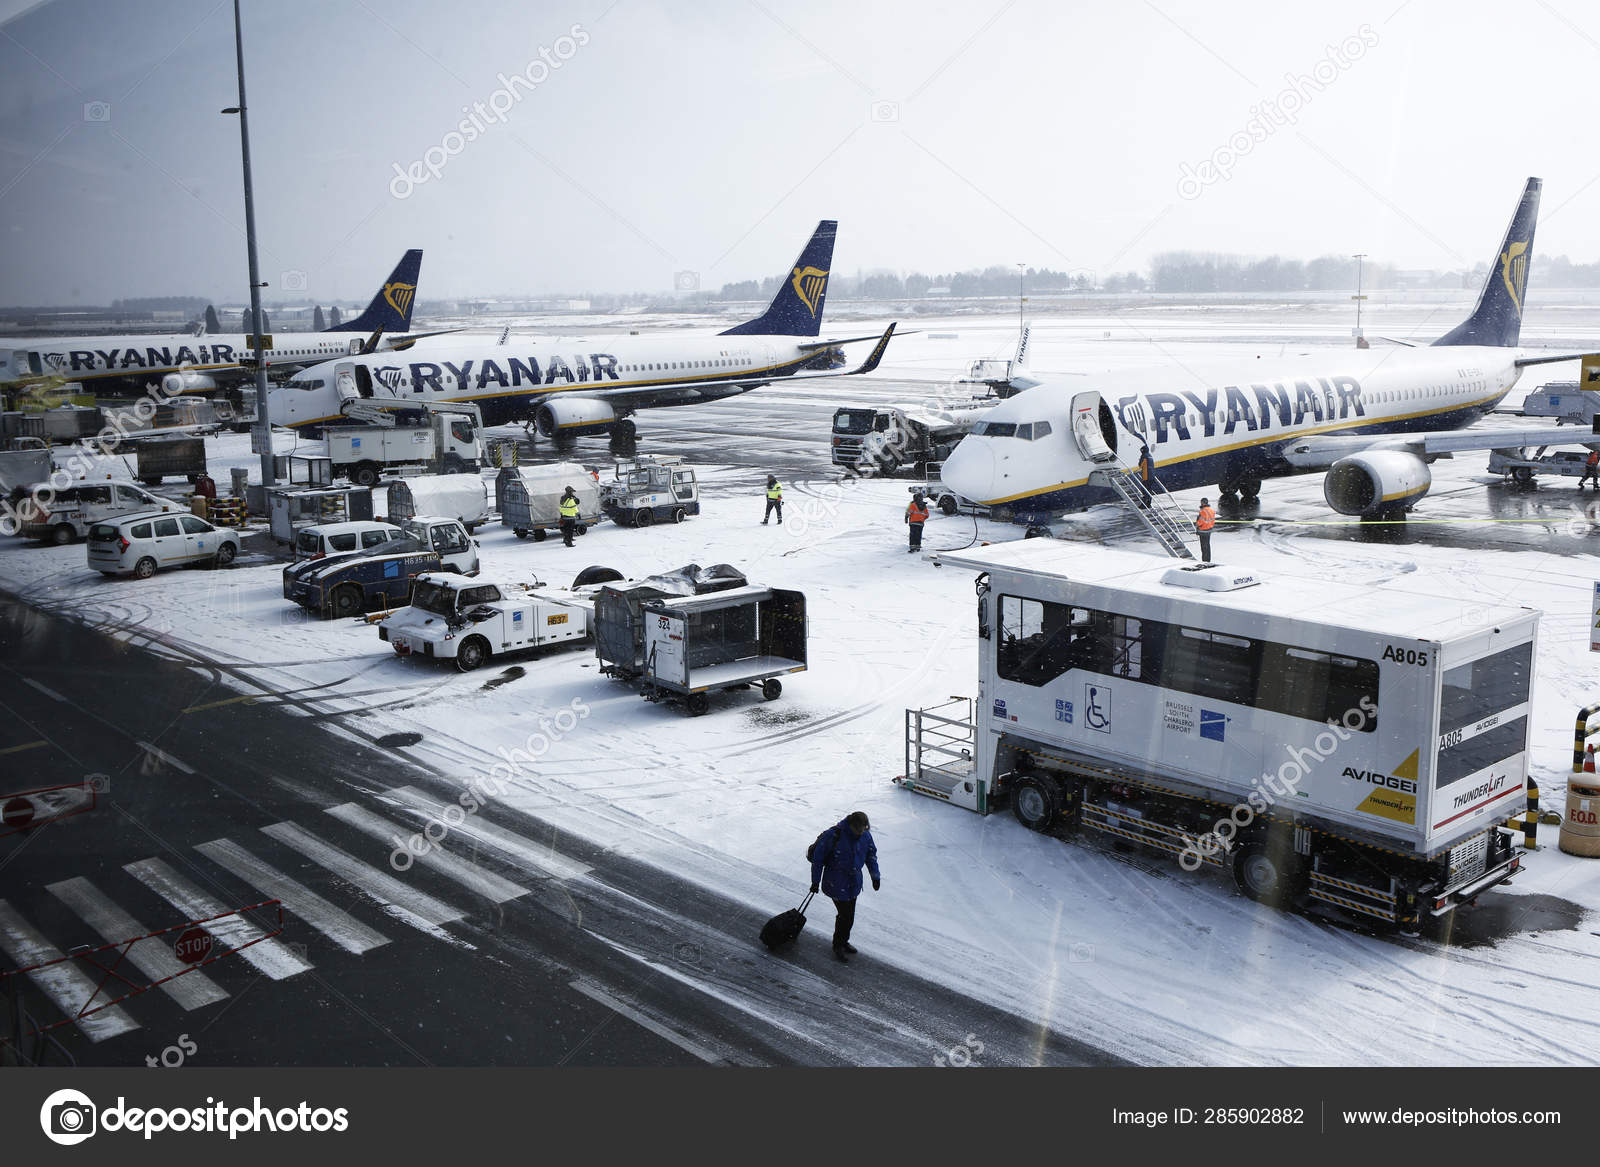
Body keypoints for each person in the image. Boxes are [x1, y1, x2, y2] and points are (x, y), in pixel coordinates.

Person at [809, 811, 880, 962]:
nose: (861, 833)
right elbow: (818, 859)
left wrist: (875, 877)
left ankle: (843, 941)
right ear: (851, 825)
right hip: (836, 882)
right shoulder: (834, 835)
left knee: (849, 916)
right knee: (845, 916)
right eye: (858, 830)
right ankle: (838, 945)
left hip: (853, 884)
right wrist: (815, 881)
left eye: (864, 829)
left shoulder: (865, 835)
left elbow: (870, 856)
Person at [1135, 444, 1153, 509]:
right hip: (1151, 476)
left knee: (1144, 491)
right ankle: (1148, 504)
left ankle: (1143, 505)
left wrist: (1140, 459)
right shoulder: (1150, 456)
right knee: (1149, 491)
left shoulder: (1144, 456)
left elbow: (1140, 465)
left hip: (1146, 477)